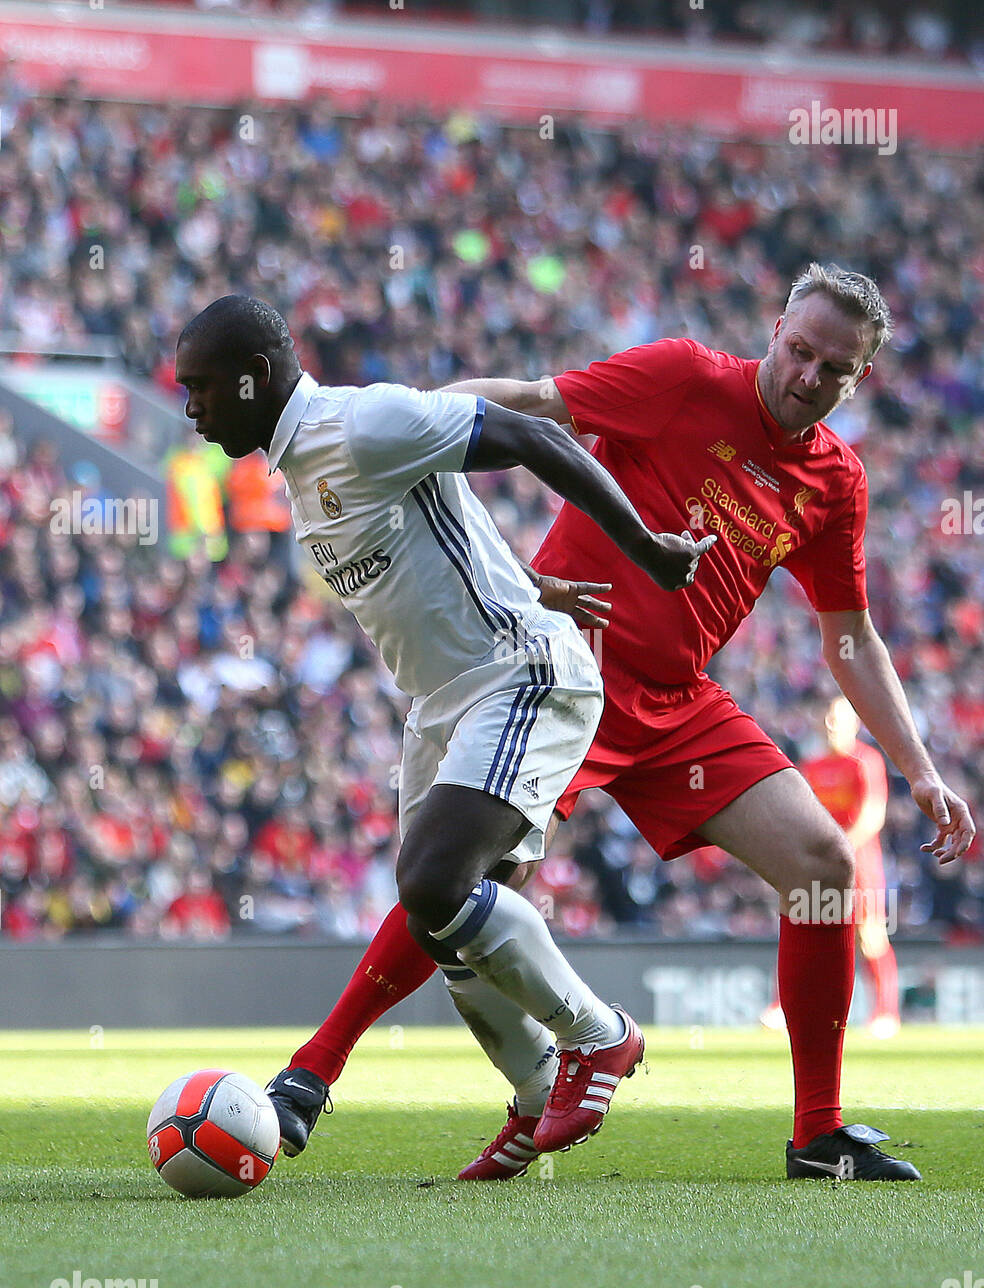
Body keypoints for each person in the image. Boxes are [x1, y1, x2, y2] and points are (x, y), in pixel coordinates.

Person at [269, 262, 976, 1181]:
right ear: (773, 330)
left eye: (833, 369)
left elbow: (849, 637)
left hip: (679, 702)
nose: (807, 376)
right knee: (473, 880)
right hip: (569, 667)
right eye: (799, 350)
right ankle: (315, 1073)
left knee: (825, 867)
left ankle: (817, 1133)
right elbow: (526, 403)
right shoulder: (684, 379)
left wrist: (918, 769)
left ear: (860, 378)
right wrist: (396, 430)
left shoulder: (835, 482)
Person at [173, 294, 714, 1154]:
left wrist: (644, 547)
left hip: (518, 674)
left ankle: (597, 1034)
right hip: (438, 705)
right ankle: (538, 1089)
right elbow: (433, 524)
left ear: (257, 378)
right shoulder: (303, 465)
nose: (191, 408)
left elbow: (531, 436)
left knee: (433, 883)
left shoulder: (361, 423)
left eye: (201, 388)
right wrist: (529, 580)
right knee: (439, 914)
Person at [762, 696, 900, 1038]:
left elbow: (872, 816)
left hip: (860, 864)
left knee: (869, 937)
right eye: (827, 720)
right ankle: (783, 1007)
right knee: (804, 929)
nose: (831, 726)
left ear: (854, 724)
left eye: (838, 719)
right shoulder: (812, 766)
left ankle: (886, 1014)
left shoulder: (866, 762)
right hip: (820, 862)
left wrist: (839, 849)